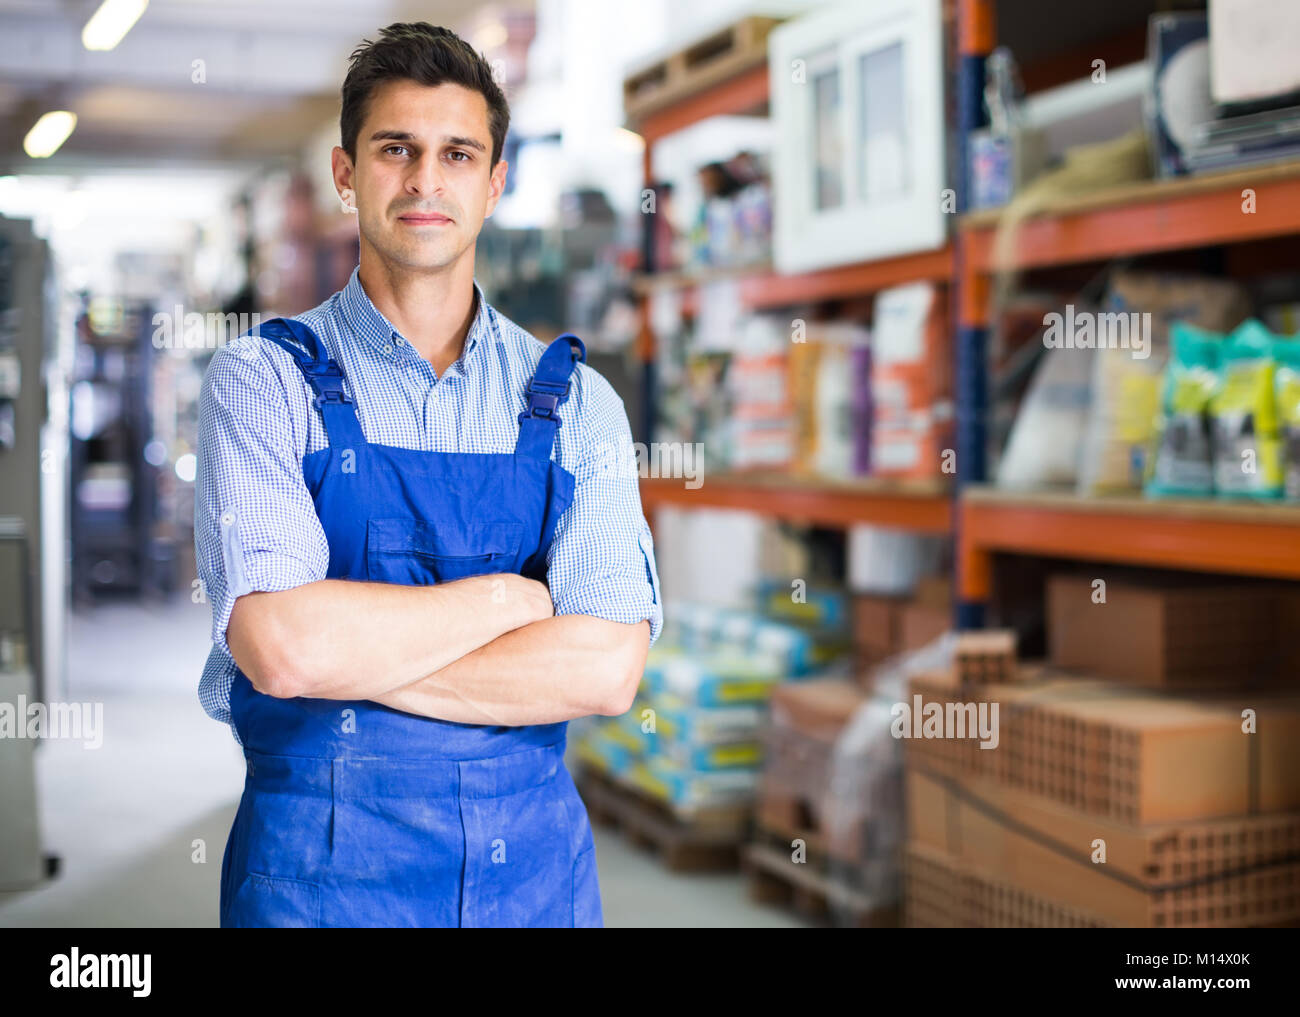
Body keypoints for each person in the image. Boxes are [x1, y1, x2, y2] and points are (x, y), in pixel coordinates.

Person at [195, 21, 663, 928]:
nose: (424, 181)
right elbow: (282, 649)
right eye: (395, 150)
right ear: (346, 174)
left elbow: (607, 669)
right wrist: (507, 605)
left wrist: (348, 652)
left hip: (528, 885)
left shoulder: (576, 404)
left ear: (494, 184)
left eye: (457, 154)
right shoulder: (263, 381)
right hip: (314, 883)